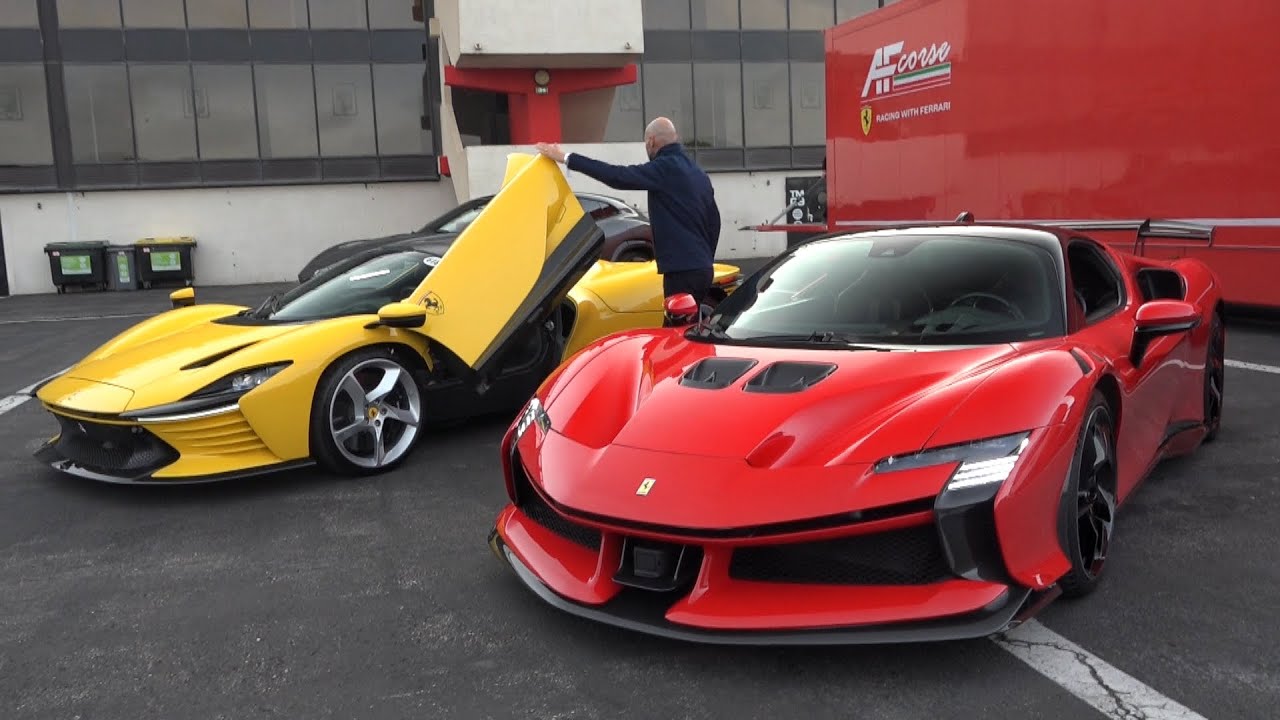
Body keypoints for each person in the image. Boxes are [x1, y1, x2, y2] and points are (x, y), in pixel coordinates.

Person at [534, 117, 721, 306]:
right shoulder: (698, 173)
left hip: (681, 272)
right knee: (692, 329)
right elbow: (714, 221)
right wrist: (705, 258)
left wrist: (567, 158)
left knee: (674, 330)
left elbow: (617, 176)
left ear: (651, 141)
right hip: (703, 270)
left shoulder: (664, 168)